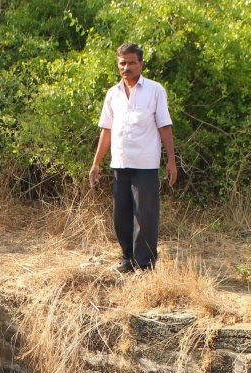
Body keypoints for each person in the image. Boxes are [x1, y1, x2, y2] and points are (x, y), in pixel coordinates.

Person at [88, 42, 177, 273]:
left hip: (145, 164)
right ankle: (128, 260)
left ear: (141, 64)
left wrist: (171, 161)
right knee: (122, 216)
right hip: (120, 163)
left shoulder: (155, 90)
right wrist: (96, 162)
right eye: (122, 63)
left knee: (145, 215)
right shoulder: (112, 94)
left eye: (131, 62)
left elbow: (164, 126)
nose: (126, 67)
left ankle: (146, 265)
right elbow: (106, 130)